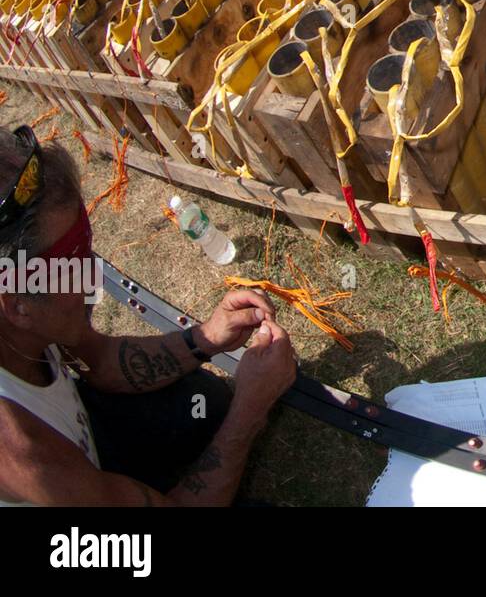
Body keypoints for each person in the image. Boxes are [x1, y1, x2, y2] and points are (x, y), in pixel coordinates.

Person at [0, 126, 297, 506]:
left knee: (203, 401)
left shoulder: (20, 310)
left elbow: (99, 359)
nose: (95, 279)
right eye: (74, 265)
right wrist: (250, 411)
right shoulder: (26, 455)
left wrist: (206, 337)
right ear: (19, 306)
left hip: (83, 451)